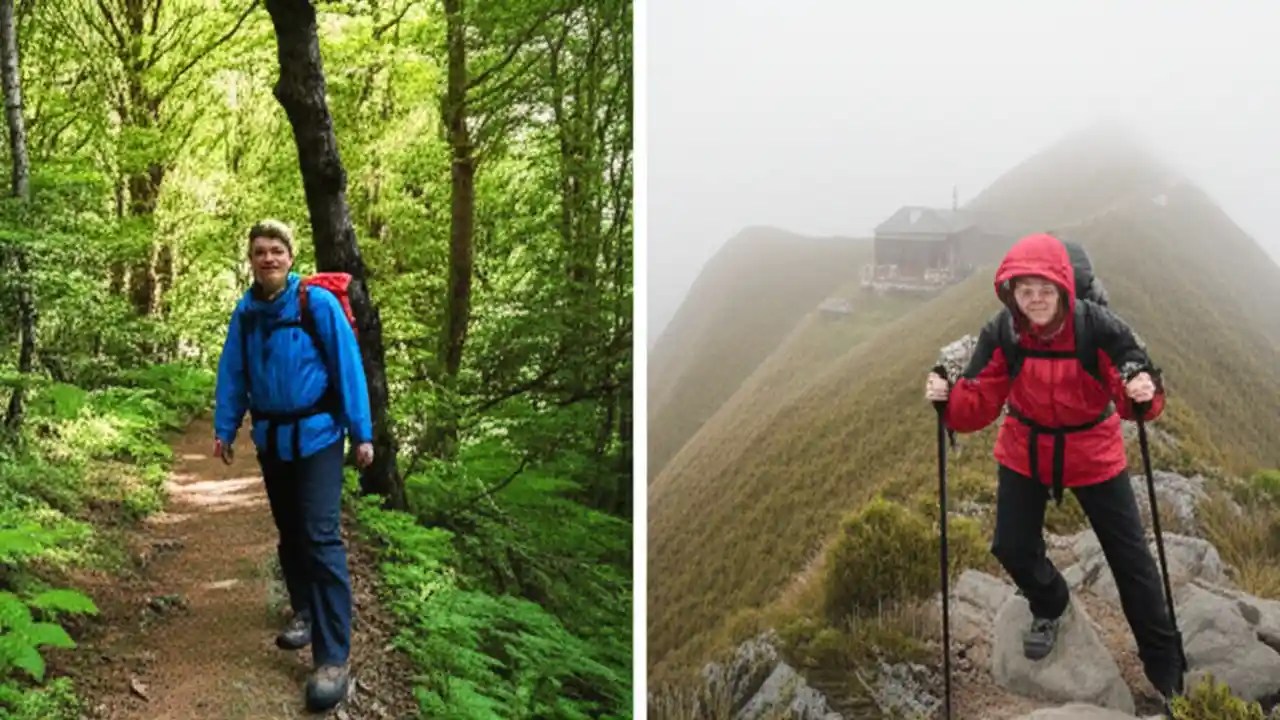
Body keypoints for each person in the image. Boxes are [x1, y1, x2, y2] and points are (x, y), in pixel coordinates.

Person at [924, 232, 1184, 705]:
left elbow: (1133, 380)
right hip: (1025, 447)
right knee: (1011, 546)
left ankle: (1167, 671)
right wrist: (948, 395)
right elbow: (978, 402)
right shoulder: (1004, 332)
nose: (1036, 299)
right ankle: (1051, 603)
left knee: (1133, 567)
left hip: (1093, 452)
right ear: (1011, 293)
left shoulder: (1099, 328)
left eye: (1045, 289)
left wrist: (1140, 394)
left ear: (1065, 289)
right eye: (1025, 290)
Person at [212, 219, 374, 711]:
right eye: (260, 251)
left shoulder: (316, 304)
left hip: (321, 436)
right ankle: (304, 609)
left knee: (321, 535)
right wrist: (225, 427)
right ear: (251, 259)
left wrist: (362, 432)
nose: (268, 258)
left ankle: (332, 658)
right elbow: (233, 372)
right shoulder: (246, 313)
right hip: (273, 438)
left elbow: (349, 366)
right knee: (290, 531)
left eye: (276, 250)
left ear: (290, 255)